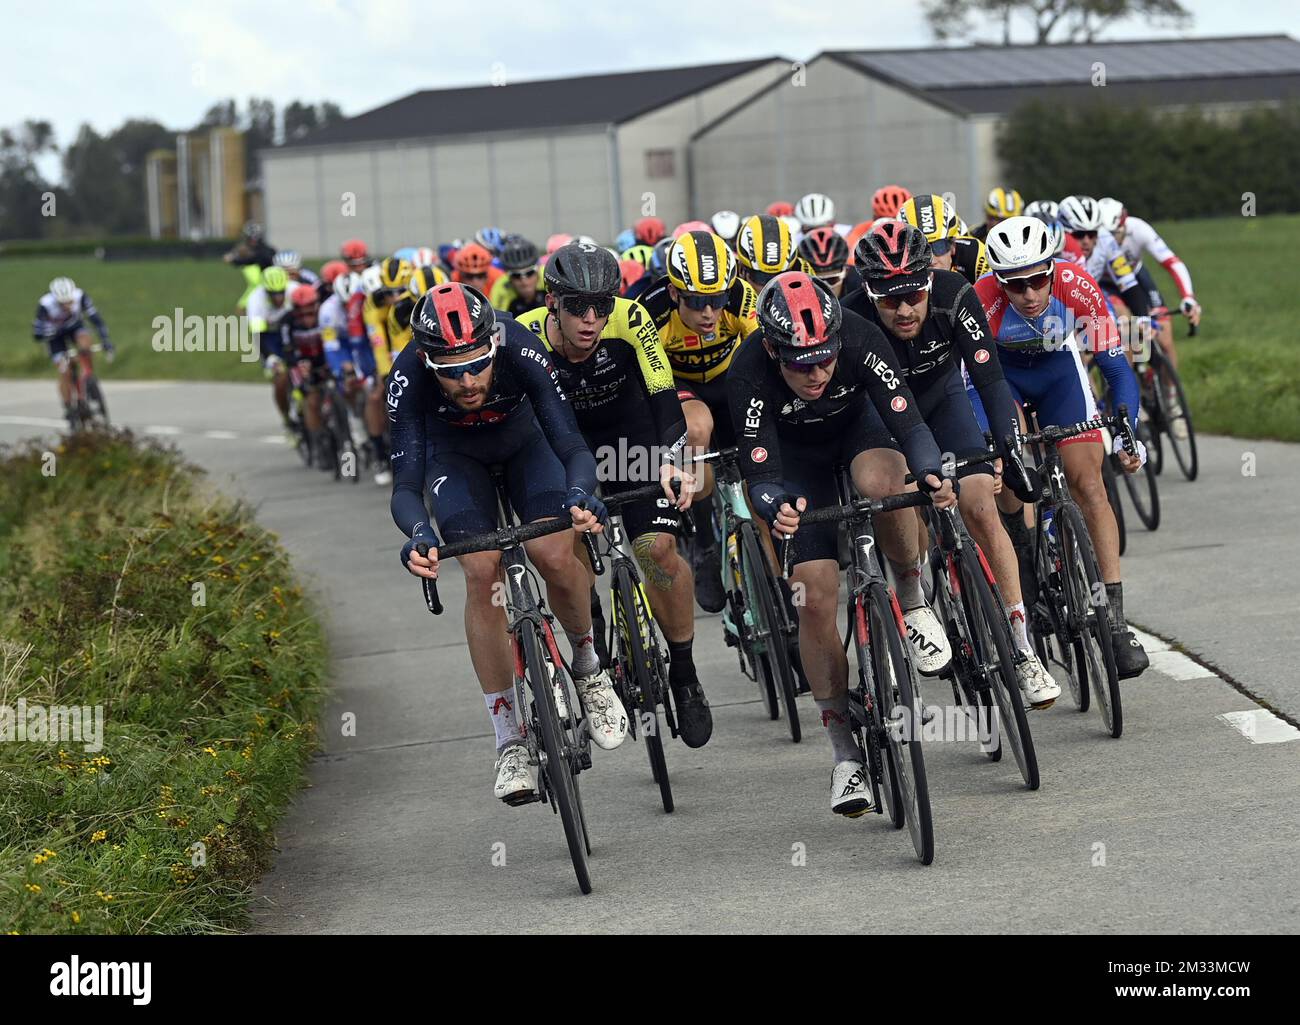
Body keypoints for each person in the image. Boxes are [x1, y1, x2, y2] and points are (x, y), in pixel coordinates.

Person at [390, 282, 629, 802]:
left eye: (477, 365)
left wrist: (581, 495)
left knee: (552, 550)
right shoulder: (406, 374)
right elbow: (406, 485)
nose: (470, 381)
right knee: (480, 570)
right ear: (430, 363)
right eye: (452, 373)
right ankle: (509, 739)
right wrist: (418, 535)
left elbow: (570, 443)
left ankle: (589, 667)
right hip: (455, 460)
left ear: (492, 346)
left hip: (527, 447)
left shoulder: (520, 345)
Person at [726, 270, 954, 815]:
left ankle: (914, 600)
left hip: (860, 432)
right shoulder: (749, 368)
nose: (818, 372)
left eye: (826, 358)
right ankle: (845, 755)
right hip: (793, 463)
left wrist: (929, 474)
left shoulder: (859, 335)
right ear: (774, 349)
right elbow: (759, 475)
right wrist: (772, 508)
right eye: (802, 363)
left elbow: (910, 423)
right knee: (814, 594)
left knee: (887, 484)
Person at [843, 221, 1059, 704]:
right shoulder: (851, 316)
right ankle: (915, 600)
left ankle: (1023, 648)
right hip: (883, 417)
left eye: (913, 295)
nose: (903, 310)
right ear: (869, 292)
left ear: (929, 282)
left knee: (980, 504)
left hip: (943, 399)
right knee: (891, 495)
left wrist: (1009, 446)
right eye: (888, 299)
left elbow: (990, 381)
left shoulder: (955, 295)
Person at [517, 243, 714, 746]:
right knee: (570, 551)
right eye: (577, 307)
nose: (591, 319)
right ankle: (592, 630)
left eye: (600, 306)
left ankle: (686, 674)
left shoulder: (631, 320)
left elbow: (664, 394)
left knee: (656, 551)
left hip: (631, 436)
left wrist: (672, 458)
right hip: (564, 447)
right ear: (552, 302)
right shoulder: (526, 335)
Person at [971, 215, 1150, 679]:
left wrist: (1128, 428)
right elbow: (971, 384)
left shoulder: (1077, 283)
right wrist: (994, 447)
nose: (1029, 294)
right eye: (1016, 285)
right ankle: (1023, 549)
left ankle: (1114, 620)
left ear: (1052, 270)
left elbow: (1115, 368)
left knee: (1089, 484)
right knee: (1008, 465)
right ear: (998, 280)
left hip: (1058, 374)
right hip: (1001, 379)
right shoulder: (982, 301)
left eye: (1036, 281)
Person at [639, 230, 760, 613]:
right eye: (696, 303)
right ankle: (705, 541)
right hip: (678, 383)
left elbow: (764, 352)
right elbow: (651, 384)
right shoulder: (653, 310)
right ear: (675, 294)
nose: (709, 313)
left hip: (729, 378)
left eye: (716, 301)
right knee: (697, 427)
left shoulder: (742, 296)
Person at [33, 277, 114, 421]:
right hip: (55, 336)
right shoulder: (45, 305)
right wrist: (48, 333)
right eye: (62, 303)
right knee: (65, 371)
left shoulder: (80, 296)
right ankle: (68, 406)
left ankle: (87, 376)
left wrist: (106, 340)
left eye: (69, 302)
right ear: (55, 299)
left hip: (75, 327)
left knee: (85, 342)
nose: (66, 306)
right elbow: (37, 334)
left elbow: (96, 320)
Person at [897, 193, 991, 285]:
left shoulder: (974, 255)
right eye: (919, 250)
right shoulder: (894, 266)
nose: (931, 260)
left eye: (938, 246)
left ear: (953, 245)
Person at [225, 222, 276, 314]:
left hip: (268, 284)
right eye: (251, 238)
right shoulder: (265, 250)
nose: (253, 240)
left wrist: (234, 260)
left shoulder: (264, 252)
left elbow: (249, 260)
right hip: (263, 284)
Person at [489, 235, 545, 315]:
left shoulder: (547, 276)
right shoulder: (501, 288)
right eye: (516, 276)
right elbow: (498, 321)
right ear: (509, 277)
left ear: (538, 270)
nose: (524, 282)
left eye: (529, 273)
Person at [799, 225, 858, 297]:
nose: (825, 288)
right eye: (817, 281)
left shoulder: (859, 285)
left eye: (832, 280)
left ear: (846, 271)